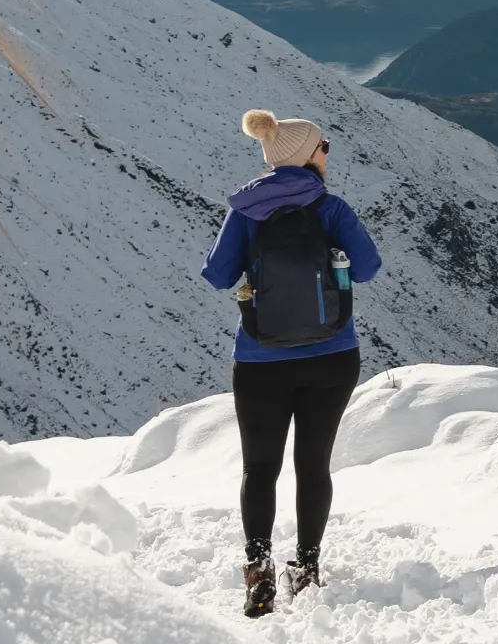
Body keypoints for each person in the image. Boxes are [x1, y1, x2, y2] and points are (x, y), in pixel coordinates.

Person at [201, 109, 380, 618]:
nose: (328, 153)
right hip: (332, 355)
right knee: (312, 464)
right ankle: (306, 566)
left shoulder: (247, 210)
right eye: (324, 146)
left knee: (260, 467)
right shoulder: (332, 208)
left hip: (260, 358)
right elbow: (367, 268)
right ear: (306, 155)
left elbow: (217, 275)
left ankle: (258, 570)